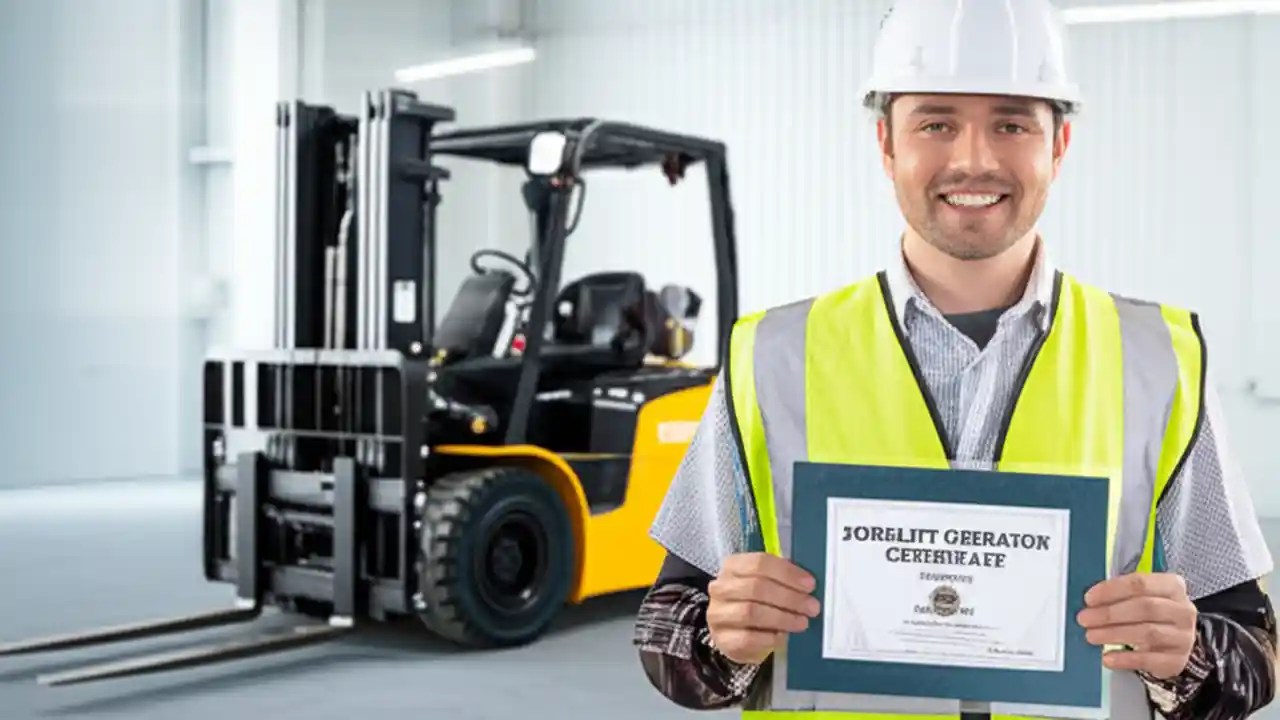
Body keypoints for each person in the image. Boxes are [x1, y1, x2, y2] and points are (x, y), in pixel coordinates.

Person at [632, 1, 1277, 718]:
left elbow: (1252, 648)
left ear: (1059, 145)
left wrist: (1185, 654)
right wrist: (724, 641)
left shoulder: (1160, 359)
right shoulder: (771, 356)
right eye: (936, 123)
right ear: (886, 144)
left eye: (1011, 123)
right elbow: (669, 631)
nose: (974, 159)